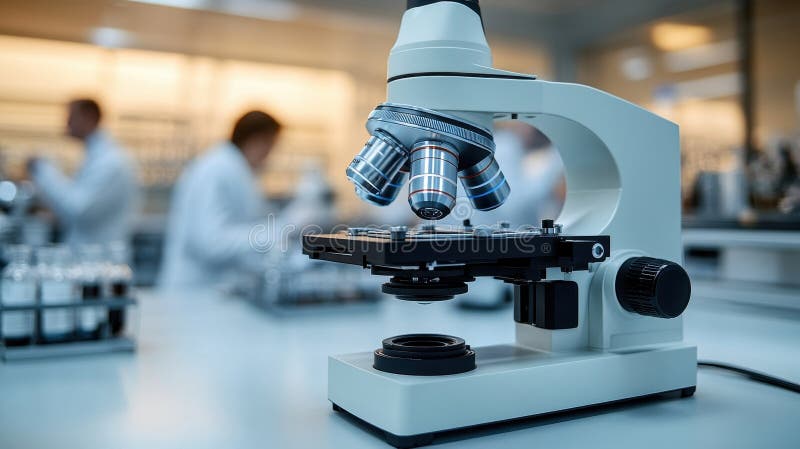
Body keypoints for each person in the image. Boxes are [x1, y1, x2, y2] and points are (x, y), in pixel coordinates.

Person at [159, 110, 312, 291]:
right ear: (256, 140)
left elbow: (248, 222)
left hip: (214, 290)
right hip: (194, 291)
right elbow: (212, 243)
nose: (269, 156)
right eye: (270, 146)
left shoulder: (236, 170)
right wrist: (284, 227)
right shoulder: (217, 169)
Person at [27, 99, 138, 245]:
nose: (66, 123)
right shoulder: (97, 157)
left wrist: (43, 170)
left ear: (89, 117)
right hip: (91, 251)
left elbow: (78, 209)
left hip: (99, 253)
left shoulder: (110, 161)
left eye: (71, 117)